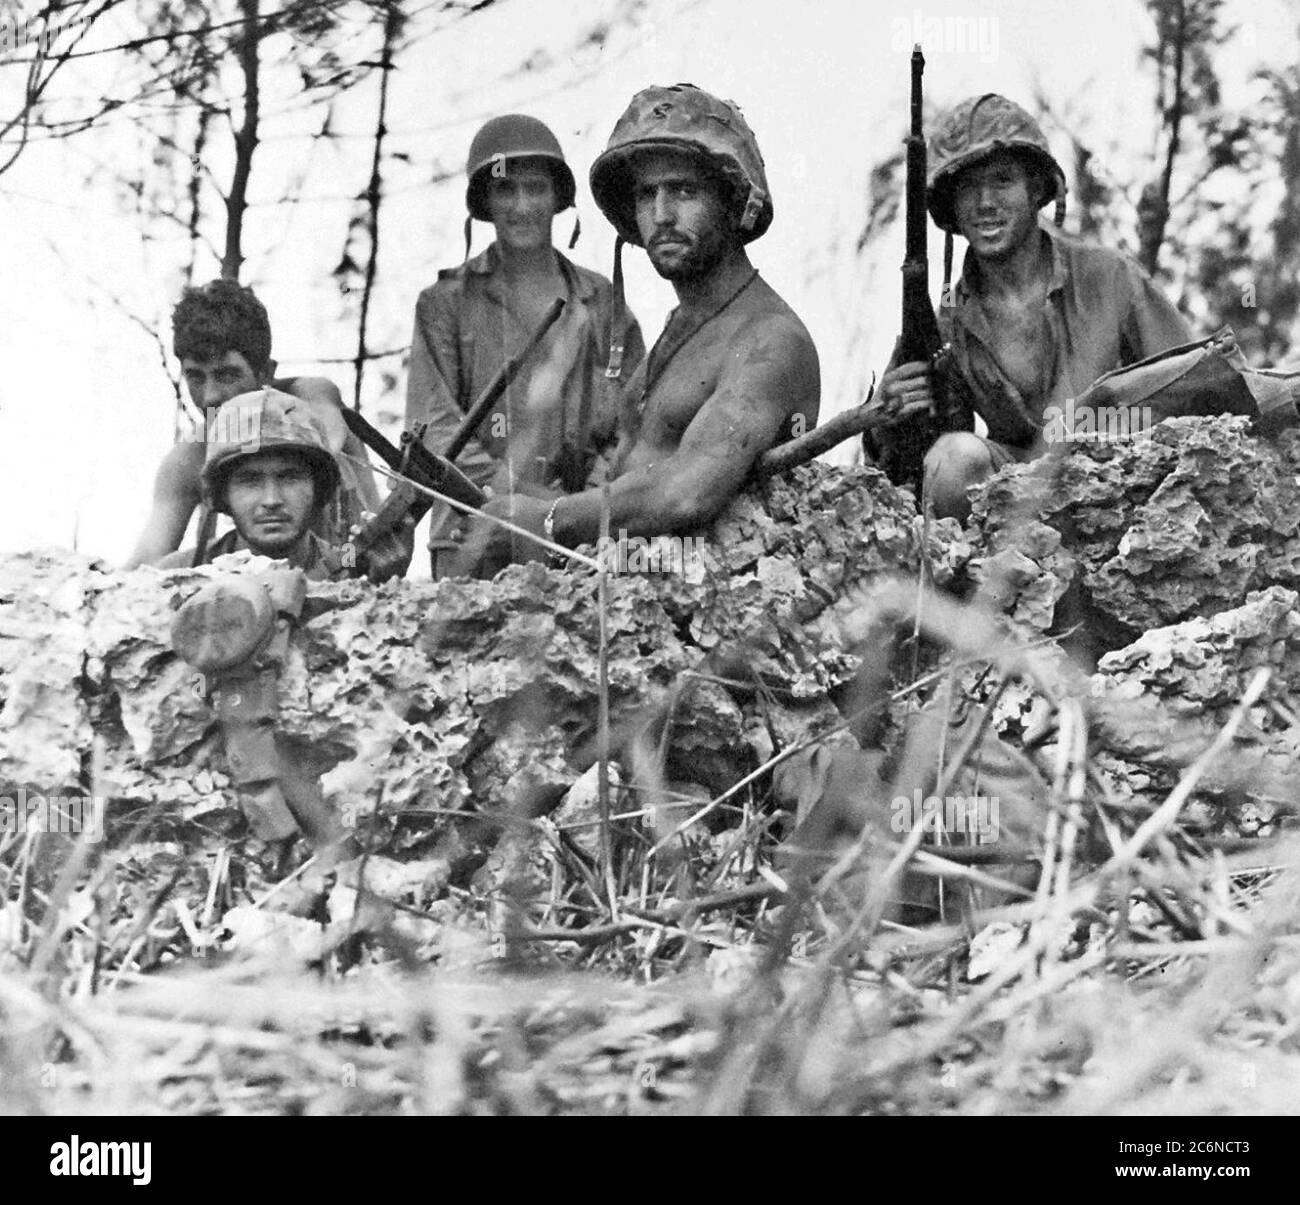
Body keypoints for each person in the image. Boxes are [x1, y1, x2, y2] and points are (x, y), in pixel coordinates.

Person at [461, 83, 820, 567]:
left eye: (684, 192)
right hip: (632, 597)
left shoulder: (770, 339)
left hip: (718, 612)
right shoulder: (679, 331)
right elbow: (627, 478)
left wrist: (548, 520)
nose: (661, 215)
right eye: (646, 194)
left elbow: (687, 492)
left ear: (734, 202)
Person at [874, 94, 1193, 522]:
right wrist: (890, 415)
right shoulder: (951, 319)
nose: (985, 202)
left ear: (1036, 190)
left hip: (1121, 487)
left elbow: (1193, 383)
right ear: (951, 208)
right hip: (1015, 502)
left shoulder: (1110, 277)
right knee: (952, 458)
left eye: (1002, 181)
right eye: (968, 188)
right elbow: (909, 466)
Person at [405, 114, 646, 576]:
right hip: (469, 534)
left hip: (577, 541)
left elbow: (633, 426)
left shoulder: (604, 306)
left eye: (535, 188)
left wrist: (568, 509)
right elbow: (433, 425)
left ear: (558, 198)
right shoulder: (444, 306)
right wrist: (508, 498)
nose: (521, 205)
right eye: (505, 190)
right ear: (484, 202)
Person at [125, 278, 381, 567]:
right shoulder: (190, 456)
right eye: (196, 377)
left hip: (338, 571)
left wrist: (345, 568)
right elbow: (145, 565)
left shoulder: (307, 405)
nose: (209, 397)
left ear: (265, 374)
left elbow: (363, 542)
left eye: (227, 375)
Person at [156, 388, 358, 580]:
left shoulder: (348, 565)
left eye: (289, 478)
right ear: (223, 492)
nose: (271, 500)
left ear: (318, 487)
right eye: (250, 481)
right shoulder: (174, 574)